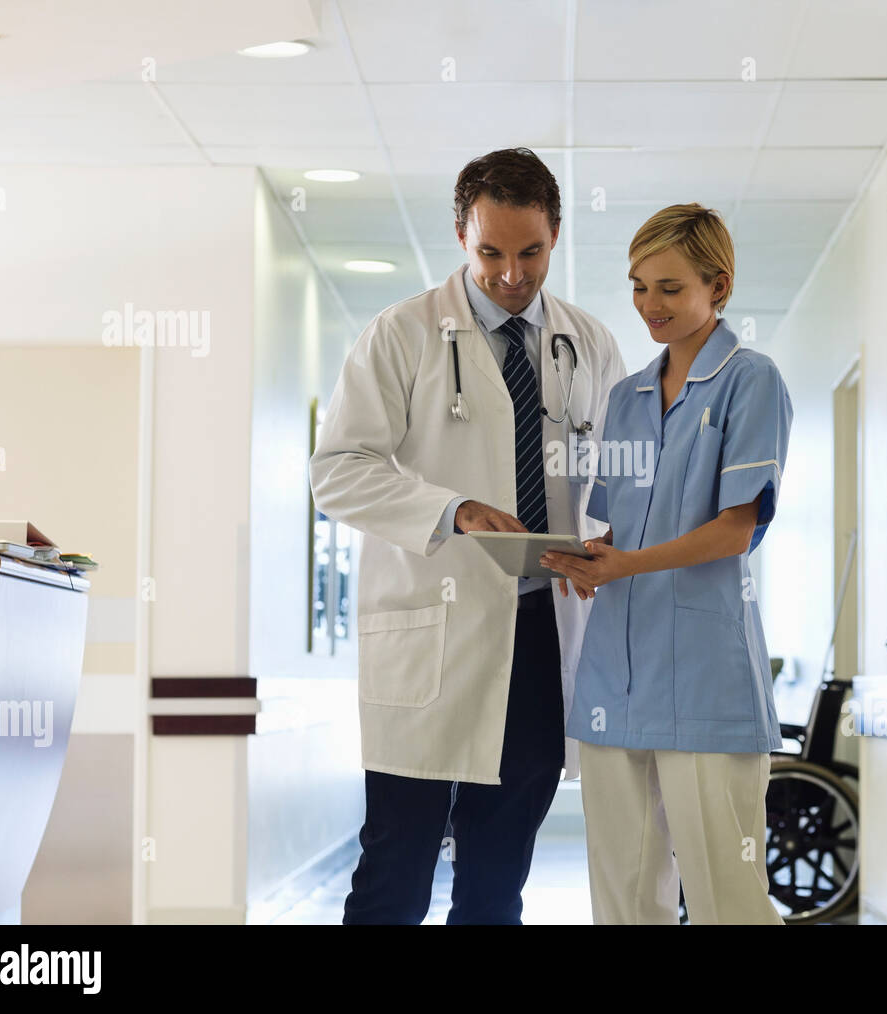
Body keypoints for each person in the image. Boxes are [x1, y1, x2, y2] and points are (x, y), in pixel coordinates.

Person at [309, 147, 626, 924]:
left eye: (531, 252)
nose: (512, 274)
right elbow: (338, 472)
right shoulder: (403, 334)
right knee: (397, 868)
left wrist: (611, 544)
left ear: (556, 236)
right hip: (434, 626)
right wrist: (455, 510)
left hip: (542, 633)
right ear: (460, 234)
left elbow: (621, 475)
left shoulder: (590, 344)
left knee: (495, 881)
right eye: (491, 252)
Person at [540, 204, 793, 925]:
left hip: (705, 677)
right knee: (622, 900)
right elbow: (621, 526)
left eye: (670, 288)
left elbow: (735, 528)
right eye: (638, 286)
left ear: (719, 285)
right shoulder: (626, 399)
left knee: (727, 900)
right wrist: (588, 560)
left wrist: (626, 566)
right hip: (615, 678)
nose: (650, 306)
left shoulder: (752, 381)